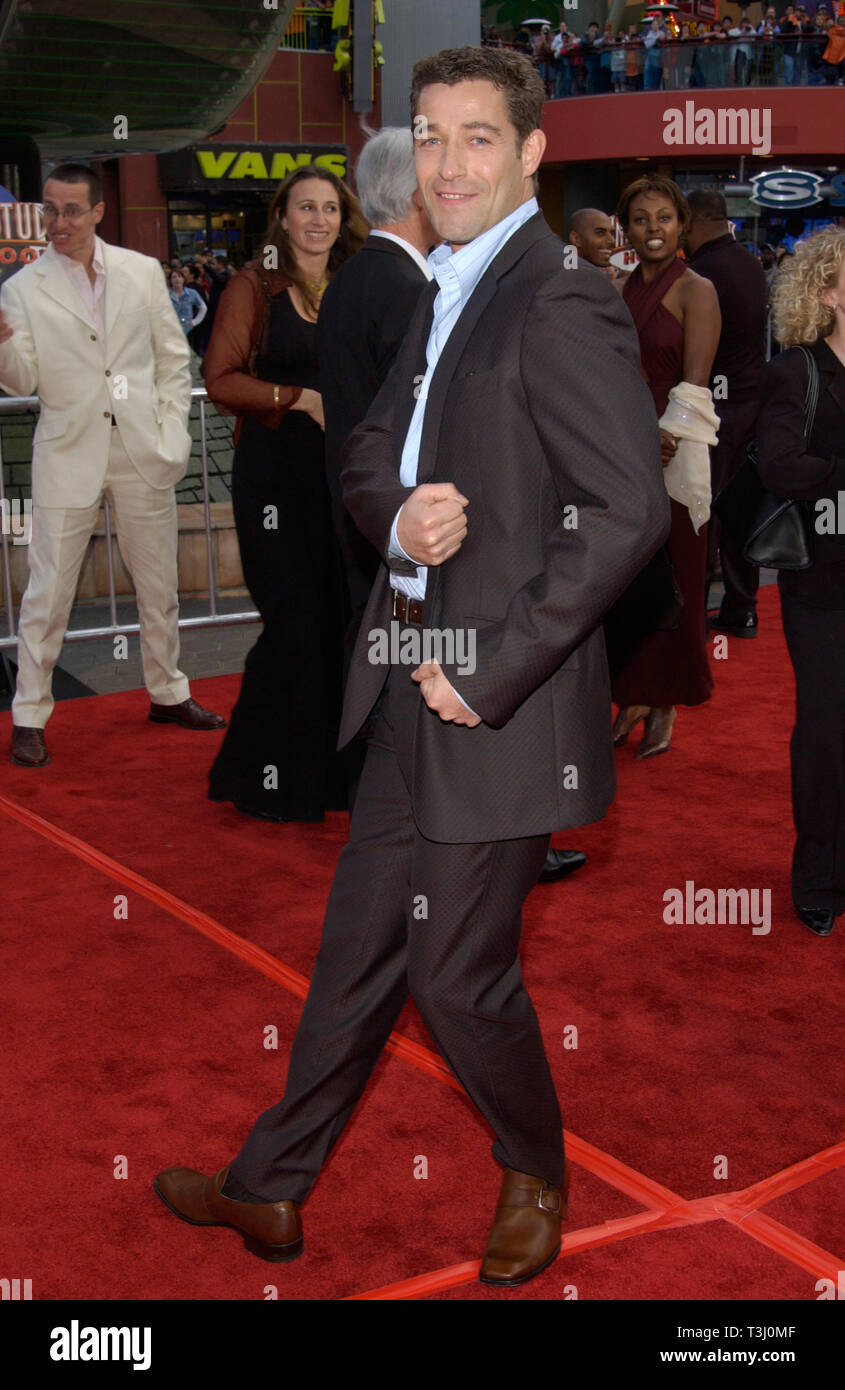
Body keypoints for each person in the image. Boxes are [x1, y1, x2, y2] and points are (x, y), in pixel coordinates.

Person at [153, 44, 669, 1288]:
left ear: (532, 155)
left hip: (493, 701)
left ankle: (533, 1164)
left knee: (451, 970)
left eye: (475, 137)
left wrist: (487, 672)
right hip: (402, 680)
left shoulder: (556, 292)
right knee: (355, 954)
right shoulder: (441, 282)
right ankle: (271, 1187)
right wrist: (396, 518)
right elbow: (368, 449)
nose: (445, 161)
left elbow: (623, 513)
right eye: (428, 135)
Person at [0, 163, 225, 769]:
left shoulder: (141, 271)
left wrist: (172, 433)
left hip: (140, 450)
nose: (59, 222)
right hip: (67, 452)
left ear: (99, 211)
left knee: (160, 585)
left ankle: (167, 690)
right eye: (49, 209)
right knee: (47, 593)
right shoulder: (20, 289)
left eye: (72, 210)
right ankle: (29, 713)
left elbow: (173, 360)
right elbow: (21, 380)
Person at [202, 164, 368, 823]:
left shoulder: (354, 283)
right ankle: (262, 778)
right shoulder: (253, 286)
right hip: (272, 480)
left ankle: (326, 778)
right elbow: (219, 378)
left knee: (334, 623)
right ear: (283, 217)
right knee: (293, 623)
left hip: (338, 481)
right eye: (306, 208)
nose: (319, 220)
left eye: (329, 208)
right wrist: (298, 398)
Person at [608, 176, 721, 758]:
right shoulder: (622, 288)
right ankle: (633, 692)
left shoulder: (696, 289)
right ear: (627, 228)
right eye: (641, 219)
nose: (653, 229)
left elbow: (696, 384)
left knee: (677, 578)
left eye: (664, 218)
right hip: (625, 449)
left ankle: (667, 700)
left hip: (674, 453)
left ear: (681, 224)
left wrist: (663, 440)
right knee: (628, 581)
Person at [755, 227, 845, 937]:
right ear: (828, 294)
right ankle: (818, 874)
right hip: (823, 579)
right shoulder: (797, 370)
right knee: (824, 728)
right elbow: (777, 467)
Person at [685, 189, 768, 638]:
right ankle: (742, 608)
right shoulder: (751, 263)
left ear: (694, 221)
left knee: (703, 513)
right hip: (752, 406)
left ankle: (695, 616)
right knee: (740, 510)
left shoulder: (700, 273)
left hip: (714, 412)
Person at [567, 207, 629, 284]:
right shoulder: (560, 281)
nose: (612, 241)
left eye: (612, 233)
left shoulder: (617, 278)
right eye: (600, 233)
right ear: (576, 239)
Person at [168, 268, 207, 338]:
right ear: (170, 281)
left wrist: (195, 321)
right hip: (171, 330)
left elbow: (203, 308)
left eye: (179, 276)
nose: (177, 279)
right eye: (174, 277)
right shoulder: (166, 295)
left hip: (188, 330)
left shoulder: (192, 293)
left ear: (183, 279)